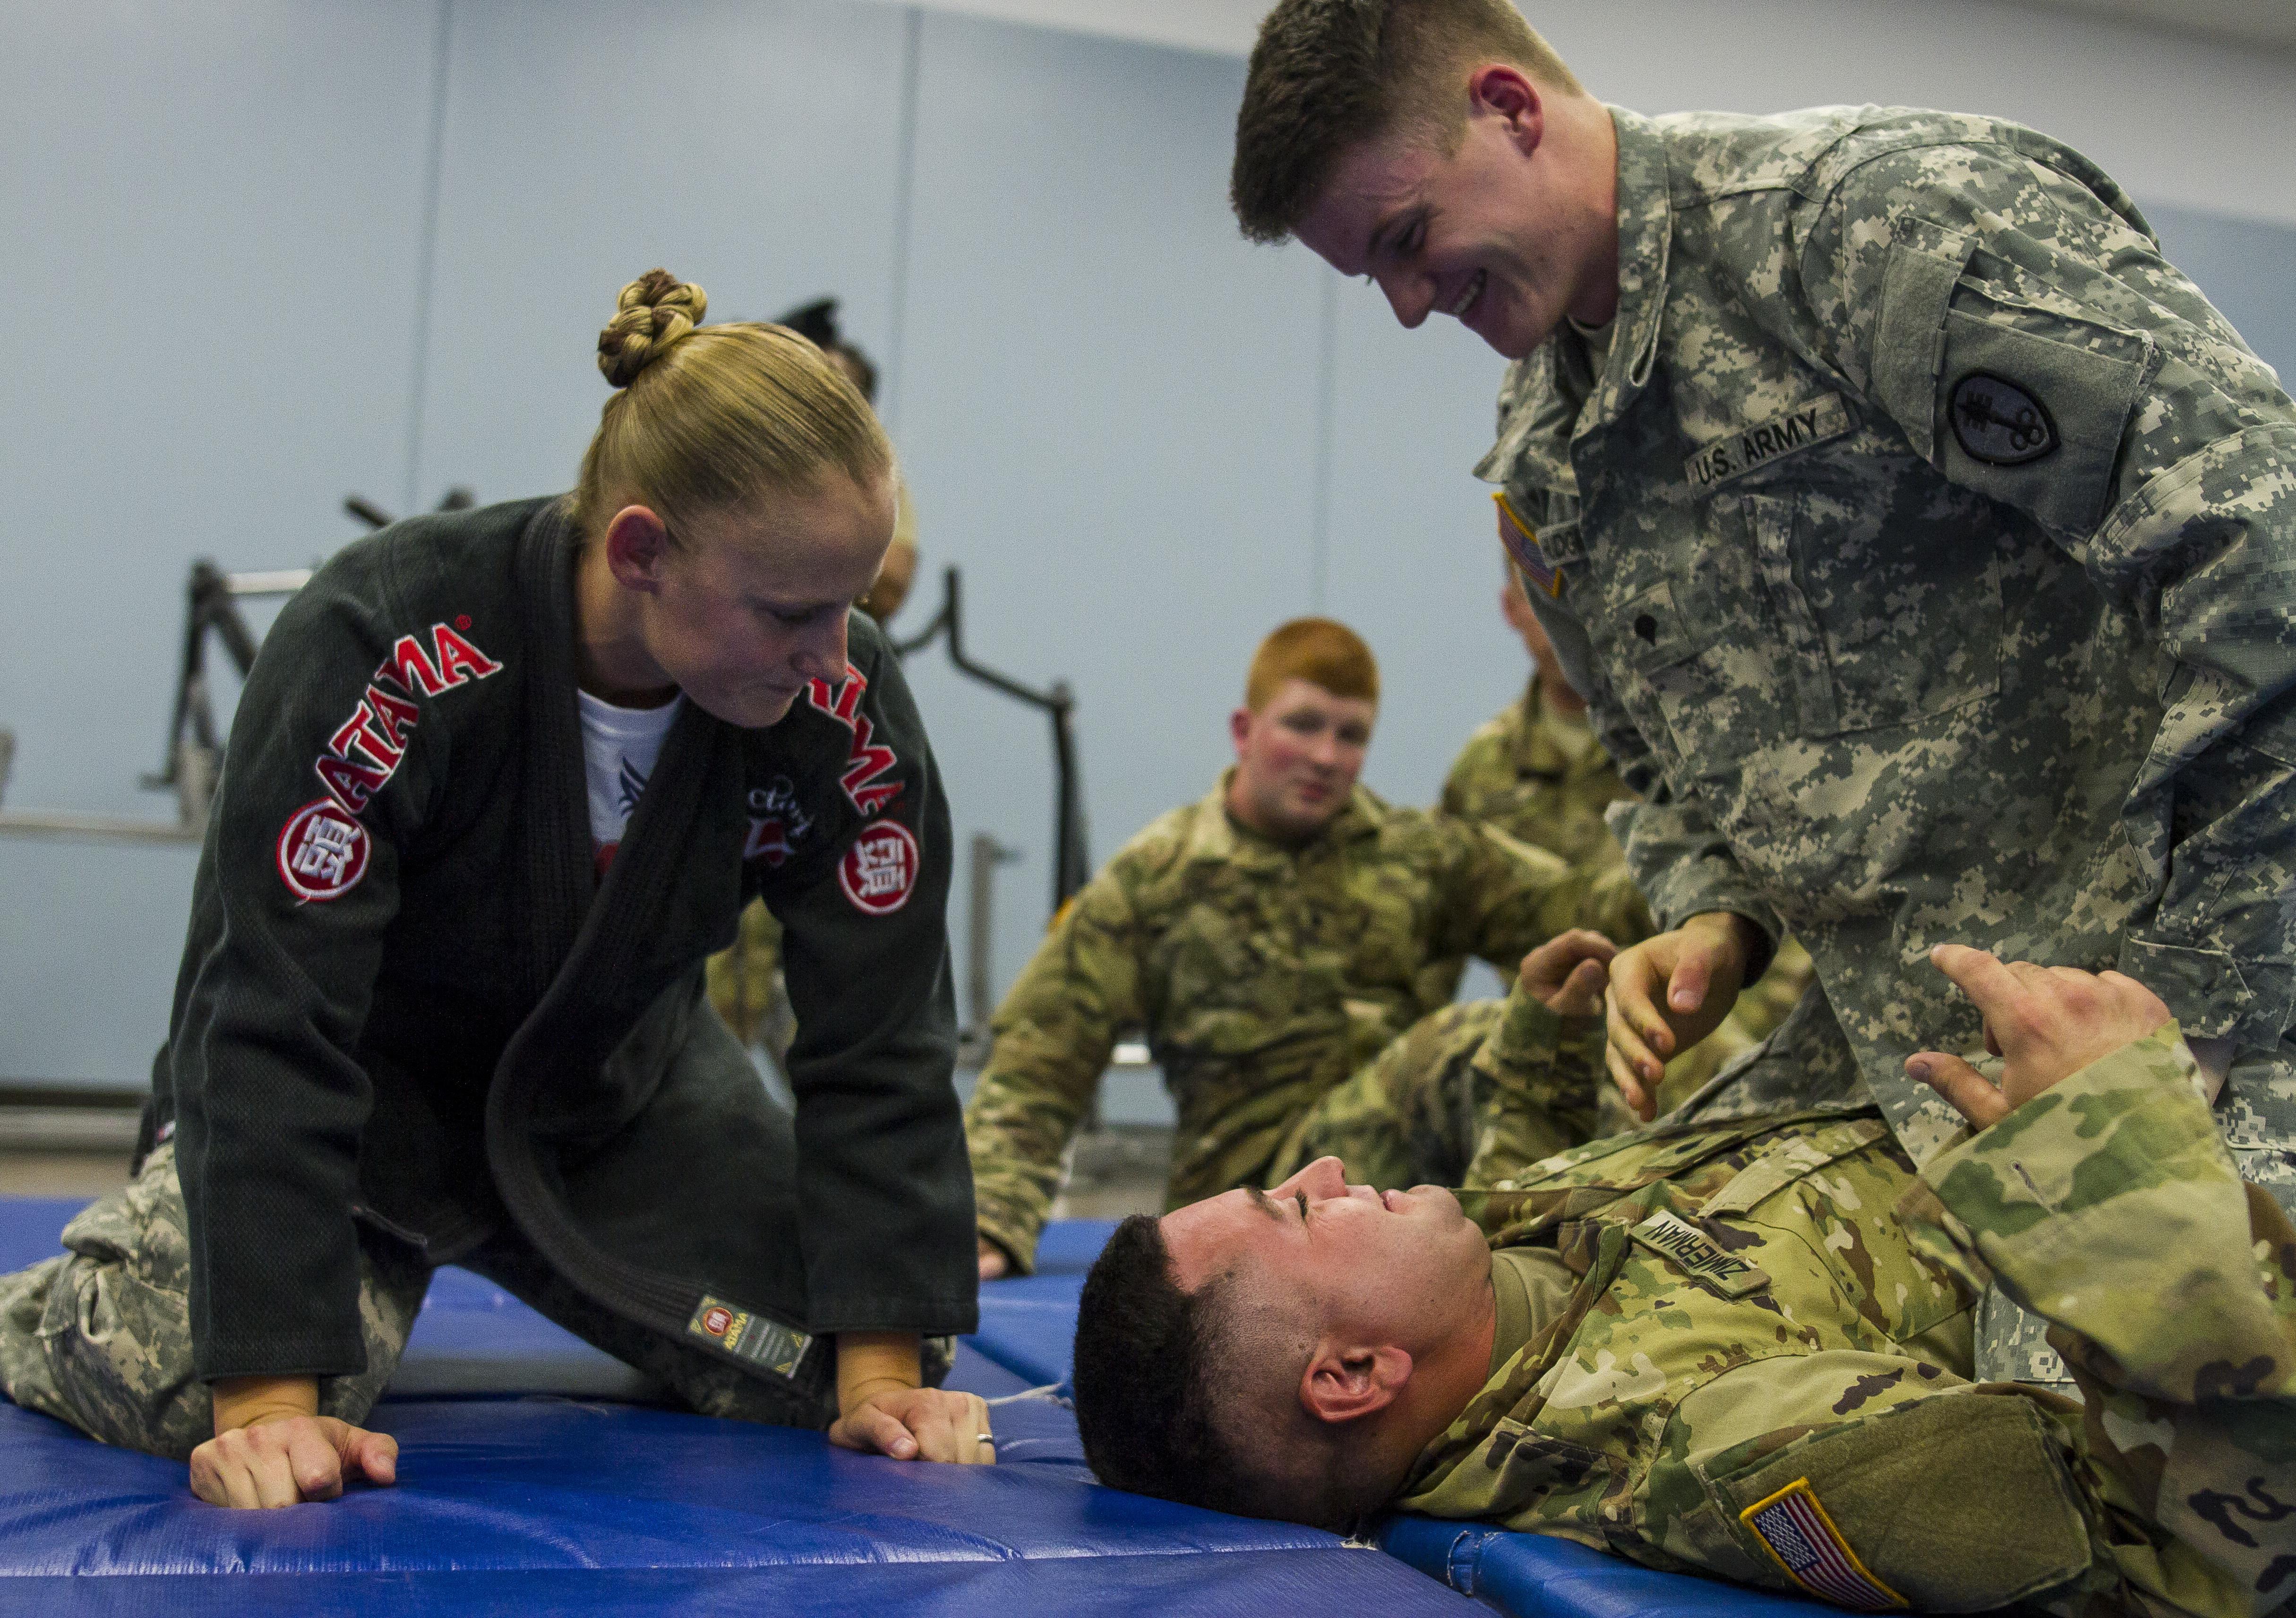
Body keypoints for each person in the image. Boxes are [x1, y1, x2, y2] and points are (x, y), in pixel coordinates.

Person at [1230, 0, 2296, 1383]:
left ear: (1509, 106)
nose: (1412, 304)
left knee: (2193, 1481)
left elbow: (2266, 555)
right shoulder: (1552, 453)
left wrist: (2193, 1019)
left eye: (1407, 239)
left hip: (2201, 992)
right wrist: (1716, 916)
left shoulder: (1870, 229)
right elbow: (1665, 758)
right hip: (1914, 1074)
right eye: (1369, 276)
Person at [0, 269, 991, 1509]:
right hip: (366, 1105)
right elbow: (269, 1018)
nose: (835, 657)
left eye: (849, 608)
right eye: (792, 611)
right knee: (176, 1387)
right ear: (641, 553)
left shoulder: (835, 697)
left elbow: (880, 1035)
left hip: (616, 1098)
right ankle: (65, 1294)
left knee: (860, 1348)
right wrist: (261, 1405)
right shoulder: (388, 639)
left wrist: (881, 1376)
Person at [1072, 945, 2296, 1618]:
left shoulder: (1477, 1311)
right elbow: (2210, 1560)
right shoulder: (1732, 1446)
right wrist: (2118, 1165)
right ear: (1348, 1374)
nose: (1330, 1168)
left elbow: (1528, 1211)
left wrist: (1544, 1061)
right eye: (1298, 1208)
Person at [966, 617, 1650, 1277]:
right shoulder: (1160, 876)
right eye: (1302, 725)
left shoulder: (1416, 856)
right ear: (1244, 730)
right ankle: (1494, 1293)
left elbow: (1588, 912)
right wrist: (993, 1216)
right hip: (1244, 1207)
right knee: (1471, 1038)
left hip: (1393, 1198)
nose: (1326, 756)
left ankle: (1610, 1263)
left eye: (1351, 735)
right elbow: (1039, 1059)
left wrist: (1708, 866)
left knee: (1561, 1037)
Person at [1444, 550, 1813, 1119]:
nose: (1561, 616)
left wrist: (1736, 1040)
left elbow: (1778, 902)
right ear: (1513, 608)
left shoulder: (1676, 749)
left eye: (1574, 594)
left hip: (1713, 1042)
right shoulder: (1481, 768)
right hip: (1563, 1051)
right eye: (1542, 596)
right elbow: (1447, 931)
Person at [708, 297, 919, 1056]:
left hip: (817, 741)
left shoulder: (876, 488)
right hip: (712, 734)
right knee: (711, 983)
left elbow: (889, 583)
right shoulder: (717, 475)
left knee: (833, 985)